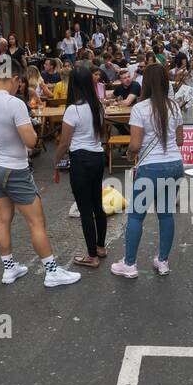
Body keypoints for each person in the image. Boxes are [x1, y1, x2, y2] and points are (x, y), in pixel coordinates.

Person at [0, 57, 81, 288]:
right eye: (19, 83)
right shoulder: (15, 104)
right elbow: (31, 141)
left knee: (3, 220)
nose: (19, 86)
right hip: (15, 170)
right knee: (36, 222)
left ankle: (9, 269)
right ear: (14, 78)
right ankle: (51, 272)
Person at [111, 63, 185, 278]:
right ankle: (162, 261)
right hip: (174, 165)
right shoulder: (175, 107)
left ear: (146, 84)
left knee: (136, 216)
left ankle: (130, 264)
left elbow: (134, 145)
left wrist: (129, 155)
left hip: (150, 167)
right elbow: (179, 141)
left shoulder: (140, 109)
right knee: (165, 214)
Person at [54, 66, 110, 268]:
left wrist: (56, 160)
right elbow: (101, 134)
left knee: (85, 210)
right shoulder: (98, 106)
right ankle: (101, 247)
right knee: (97, 205)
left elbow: (64, 142)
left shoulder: (73, 109)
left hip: (80, 159)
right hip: (97, 157)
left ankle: (91, 256)